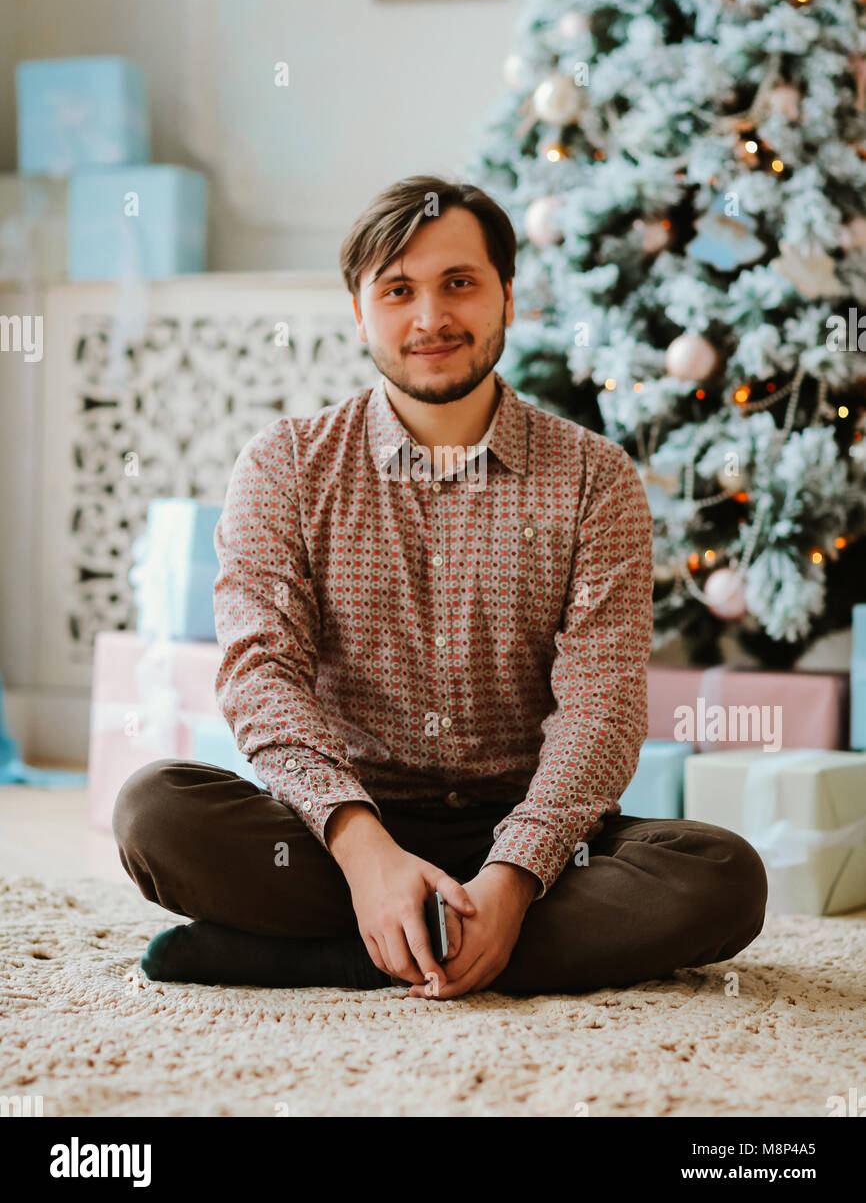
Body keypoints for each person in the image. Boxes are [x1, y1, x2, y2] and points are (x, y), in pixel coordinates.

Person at [113, 174, 767, 999]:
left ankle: (338, 959)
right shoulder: (283, 465)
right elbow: (259, 676)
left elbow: (602, 707)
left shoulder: (596, 478)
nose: (431, 319)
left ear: (507, 298)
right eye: (398, 291)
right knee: (155, 813)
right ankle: (415, 930)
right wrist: (366, 854)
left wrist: (515, 875)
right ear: (359, 312)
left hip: (535, 836)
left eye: (459, 283)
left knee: (723, 875)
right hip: (344, 827)